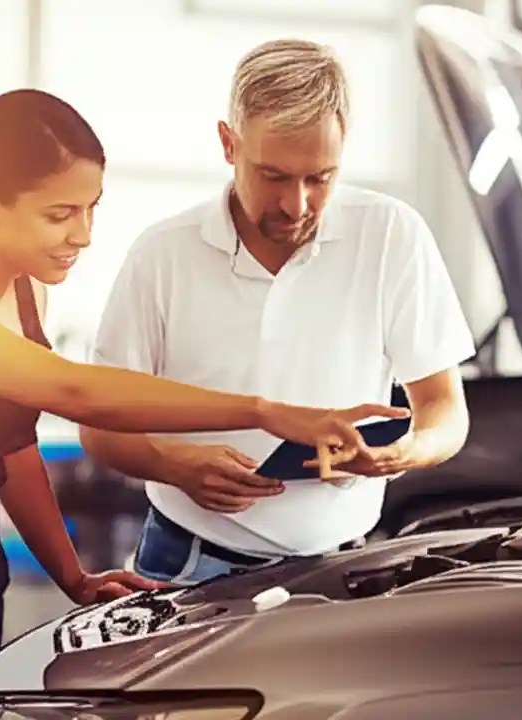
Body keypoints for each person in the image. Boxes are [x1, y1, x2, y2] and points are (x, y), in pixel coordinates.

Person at [0, 88, 406, 720]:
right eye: (59, 214)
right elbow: (71, 390)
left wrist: (73, 575)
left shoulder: (26, 289)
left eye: (90, 209)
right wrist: (263, 410)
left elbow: (12, 444)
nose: (81, 235)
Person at [81, 40, 475, 585]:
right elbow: (99, 431)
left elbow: (445, 413)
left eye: (320, 178)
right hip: (185, 564)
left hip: (342, 571)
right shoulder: (161, 254)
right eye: (273, 176)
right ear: (228, 143)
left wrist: (405, 452)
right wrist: (170, 465)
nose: (297, 205)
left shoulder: (392, 234)